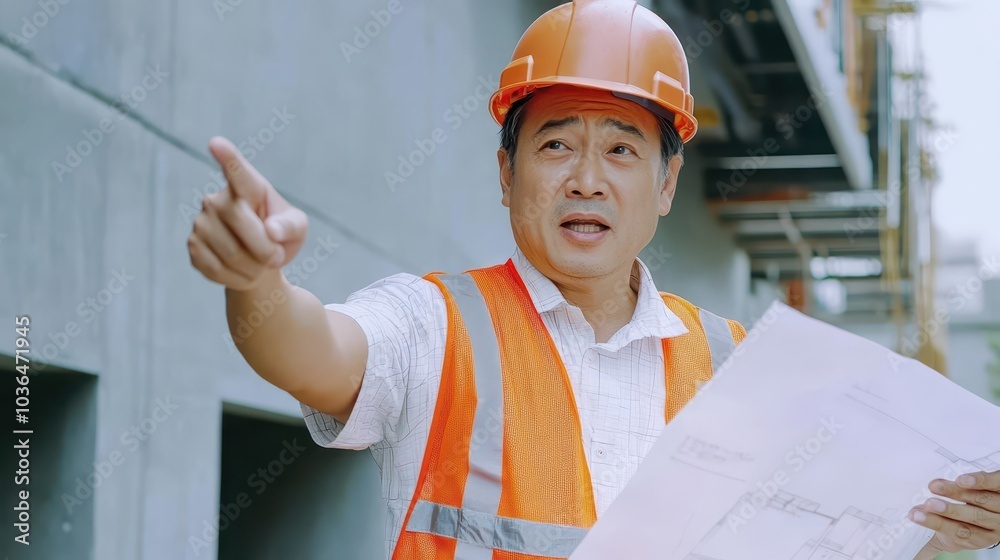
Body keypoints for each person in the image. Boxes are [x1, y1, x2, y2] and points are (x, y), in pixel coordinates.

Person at [187, 1, 1000, 558]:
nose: (586, 179)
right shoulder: (435, 323)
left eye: (620, 149)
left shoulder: (739, 364)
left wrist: (946, 529)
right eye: (555, 145)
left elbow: (818, 531)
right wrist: (257, 282)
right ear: (506, 173)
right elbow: (314, 351)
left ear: (666, 183)